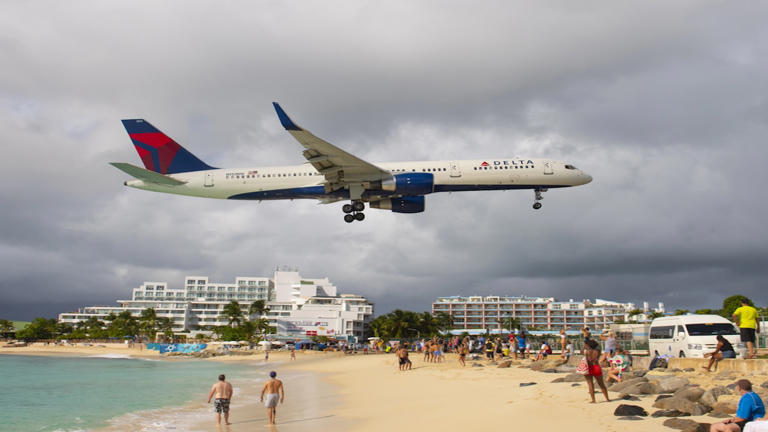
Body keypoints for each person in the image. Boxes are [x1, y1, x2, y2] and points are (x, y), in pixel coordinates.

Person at [583, 339, 610, 403]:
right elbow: (595, 359)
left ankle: (593, 400)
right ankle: (607, 399)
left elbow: (583, 354)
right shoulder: (598, 351)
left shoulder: (587, 352)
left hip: (589, 367)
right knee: (601, 384)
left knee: (590, 384)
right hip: (596, 367)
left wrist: (584, 347)